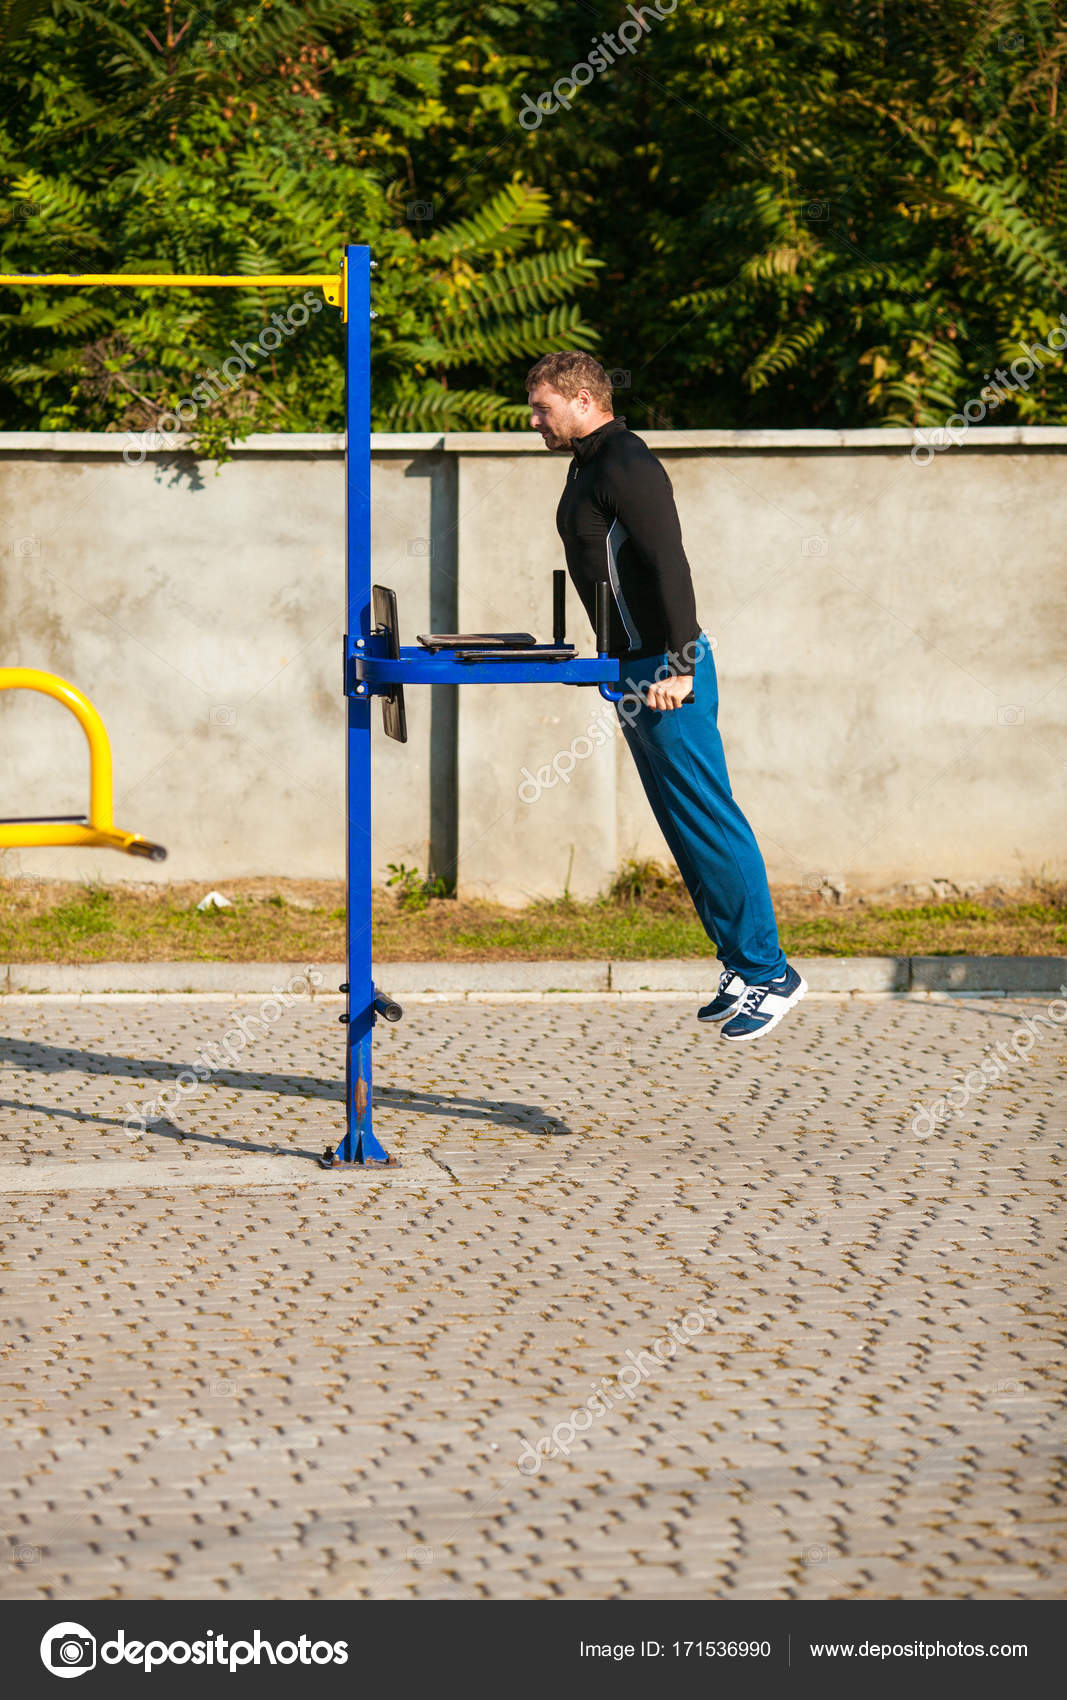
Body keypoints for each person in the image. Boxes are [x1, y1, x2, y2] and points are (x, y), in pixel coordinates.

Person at [526, 350, 806, 1042]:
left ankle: (771, 973)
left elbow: (668, 563)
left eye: (542, 408)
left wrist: (678, 663)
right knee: (682, 829)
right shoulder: (587, 464)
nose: (533, 420)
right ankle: (739, 965)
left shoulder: (626, 464)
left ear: (584, 402)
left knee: (709, 820)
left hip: (665, 669)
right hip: (632, 667)